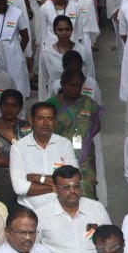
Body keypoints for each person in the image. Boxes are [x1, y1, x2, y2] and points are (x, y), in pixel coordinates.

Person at [10, 102, 77, 214]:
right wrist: (58, 186)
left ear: (54, 122)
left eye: (49, 119)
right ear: (32, 121)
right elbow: (20, 187)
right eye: (41, 118)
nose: (45, 123)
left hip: (61, 210)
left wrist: (38, 178)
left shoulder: (64, 144)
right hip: (29, 212)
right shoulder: (18, 148)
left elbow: (73, 179)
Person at [47, 70, 103, 201]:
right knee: (65, 190)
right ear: (62, 84)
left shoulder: (88, 103)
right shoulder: (52, 104)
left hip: (86, 157)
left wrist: (85, 138)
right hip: (60, 155)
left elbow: (97, 124)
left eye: (79, 85)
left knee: (88, 189)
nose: (75, 89)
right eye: (72, 85)